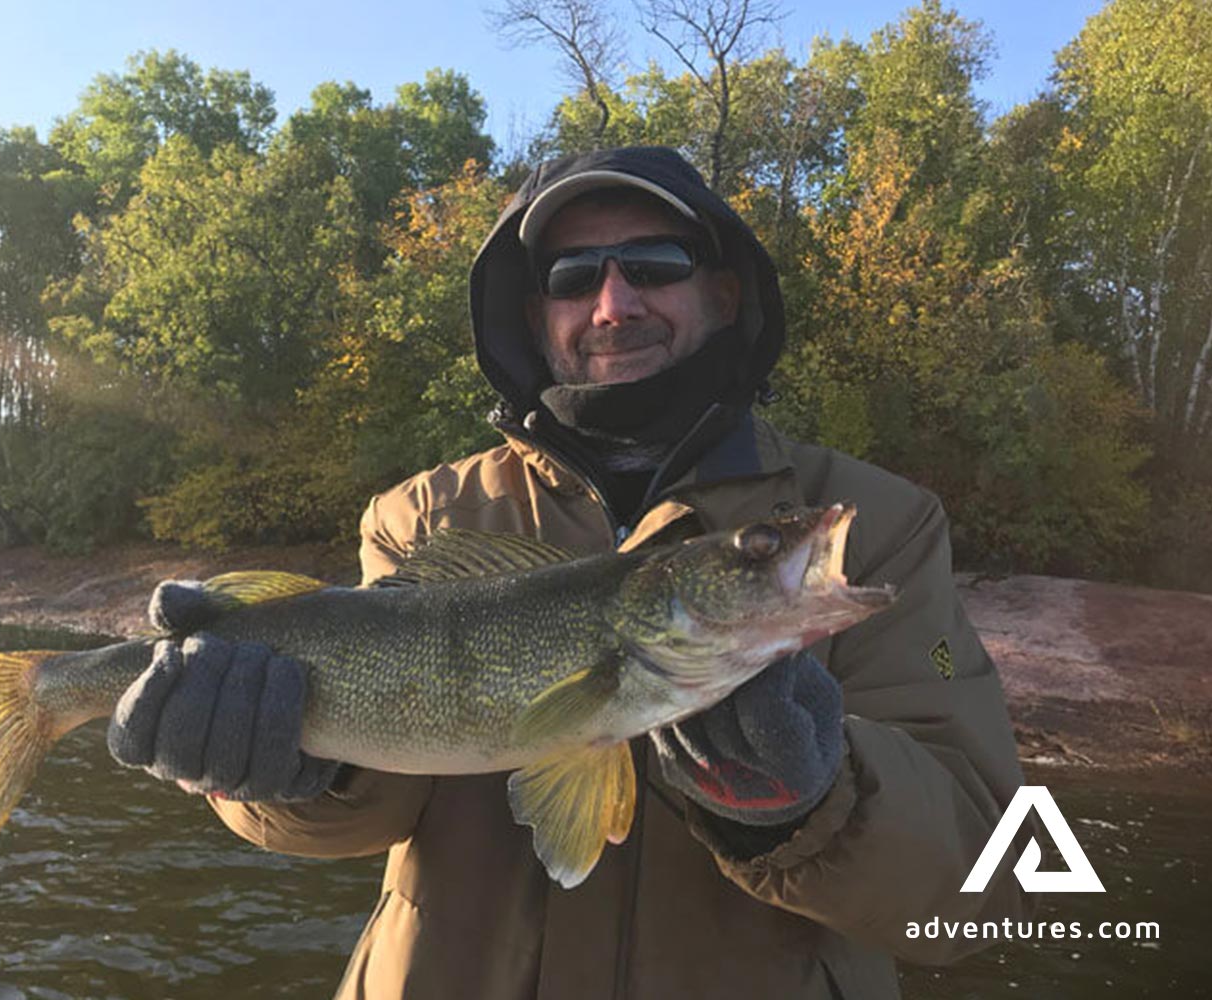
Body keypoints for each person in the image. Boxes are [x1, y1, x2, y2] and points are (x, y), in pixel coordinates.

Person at [107, 146, 1031, 999]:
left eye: (656, 265)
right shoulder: (420, 518)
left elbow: (982, 888)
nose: (614, 303)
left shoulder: (886, 525)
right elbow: (369, 809)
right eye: (572, 276)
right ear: (533, 315)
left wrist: (809, 806)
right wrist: (273, 779)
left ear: (723, 292)